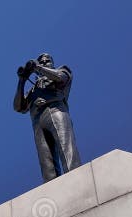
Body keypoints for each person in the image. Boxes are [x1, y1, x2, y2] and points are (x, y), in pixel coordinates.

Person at [13, 53, 82, 182]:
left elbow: (60, 78)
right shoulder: (34, 89)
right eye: (41, 61)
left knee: (67, 150)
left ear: (52, 64)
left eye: (47, 61)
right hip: (37, 121)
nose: (44, 63)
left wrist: (38, 67)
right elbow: (18, 107)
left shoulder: (62, 70)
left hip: (56, 111)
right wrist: (22, 80)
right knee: (46, 161)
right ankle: (52, 187)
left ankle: (76, 179)